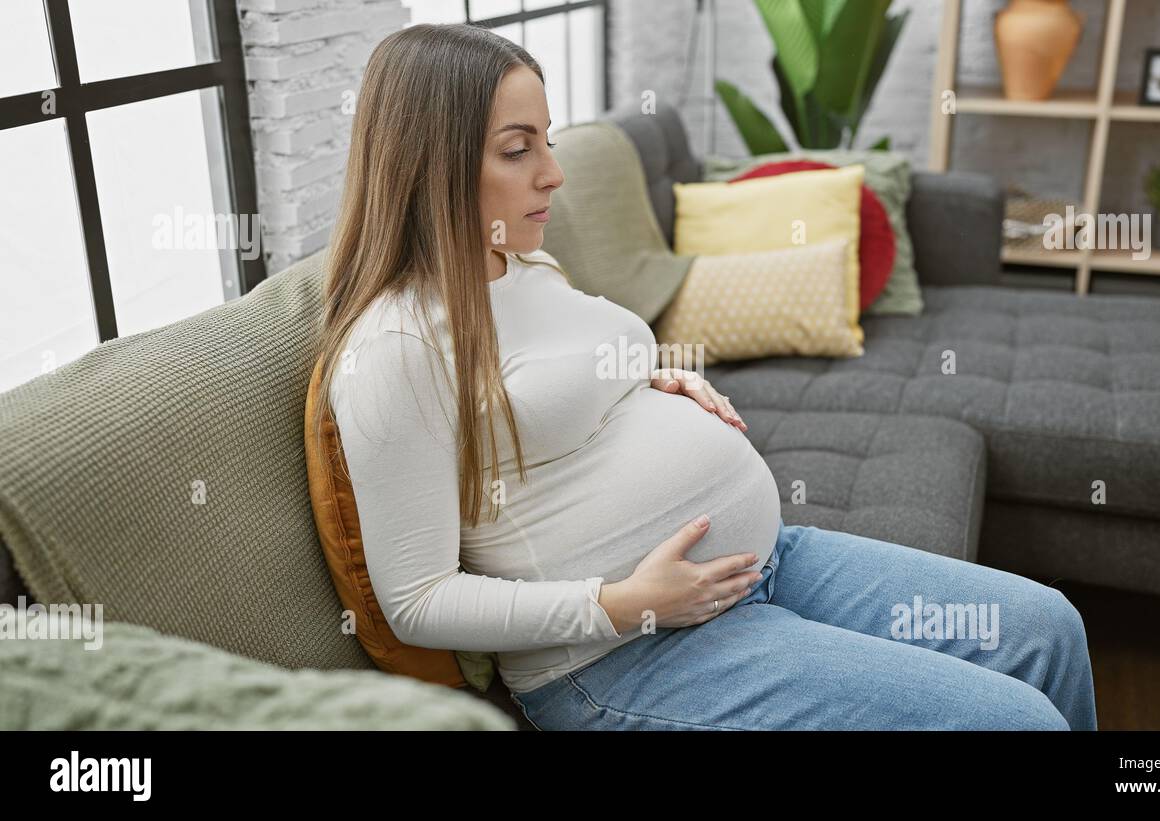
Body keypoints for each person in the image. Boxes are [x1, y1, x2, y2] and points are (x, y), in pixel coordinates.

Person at [311, 23, 1098, 731]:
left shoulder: (519, 260)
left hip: (764, 561)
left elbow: (557, 383)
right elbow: (417, 602)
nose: (553, 173)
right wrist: (624, 603)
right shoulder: (395, 349)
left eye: (547, 140)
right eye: (518, 149)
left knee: (1047, 628)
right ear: (431, 165)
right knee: (1013, 719)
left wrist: (647, 377)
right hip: (623, 655)